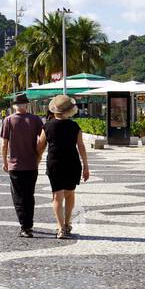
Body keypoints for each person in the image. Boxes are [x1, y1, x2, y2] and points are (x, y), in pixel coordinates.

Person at [37, 94, 89, 239]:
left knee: (57, 196)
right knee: (70, 194)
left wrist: (36, 160)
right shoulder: (75, 126)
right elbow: (81, 147)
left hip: (55, 163)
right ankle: (67, 223)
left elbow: (40, 146)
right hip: (72, 162)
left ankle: (60, 228)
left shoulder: (47, 126)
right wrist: (86, 166)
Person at [0, 94, 43, 238]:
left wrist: (4, 161)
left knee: (18, 196)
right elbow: (43, 140)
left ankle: (24, 227)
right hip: (32, 164)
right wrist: (39, 155)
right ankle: (29, 225)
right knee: (29, 195)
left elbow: (4, 144)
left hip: (15, 165)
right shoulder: (36, 120)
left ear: (14, 106)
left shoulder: (8, 120)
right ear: (27, 105)